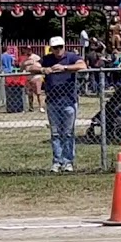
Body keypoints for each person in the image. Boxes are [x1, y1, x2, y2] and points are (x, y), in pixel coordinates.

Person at [29, 36, 86, 172]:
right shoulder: (47, 59)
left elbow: (83, 66)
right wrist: (44, 70)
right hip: (52, 101)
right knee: (55, 133)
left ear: (64, 46)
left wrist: (65, 68)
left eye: (60, 47)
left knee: (68, 133)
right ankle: (57, 161)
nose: (58, 50)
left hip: (69, 100)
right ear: (51, 48)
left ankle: (68, 162)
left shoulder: (71, 57)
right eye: (55, 47)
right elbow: (31, 66)